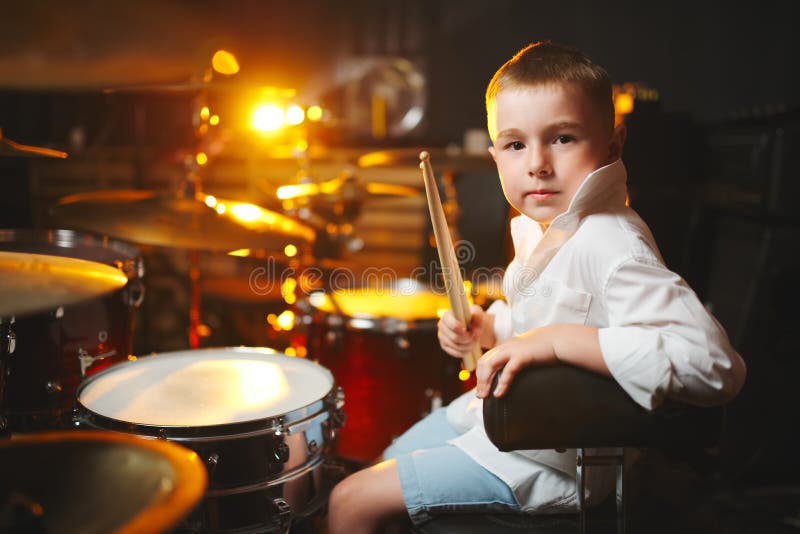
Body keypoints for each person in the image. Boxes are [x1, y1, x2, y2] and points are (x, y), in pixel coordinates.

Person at [326, 41, 746, 534]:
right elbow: (547, 316)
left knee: (350, 501)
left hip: (555, 460)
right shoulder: (543, 226)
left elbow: (716, 367)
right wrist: (489, 327)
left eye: (563, 138)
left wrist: (558, 341)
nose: (538, 164)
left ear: (612, 145)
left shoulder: (611, 242)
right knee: (384, 458)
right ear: (495, 156)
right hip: (506, 423)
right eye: (515, 144)